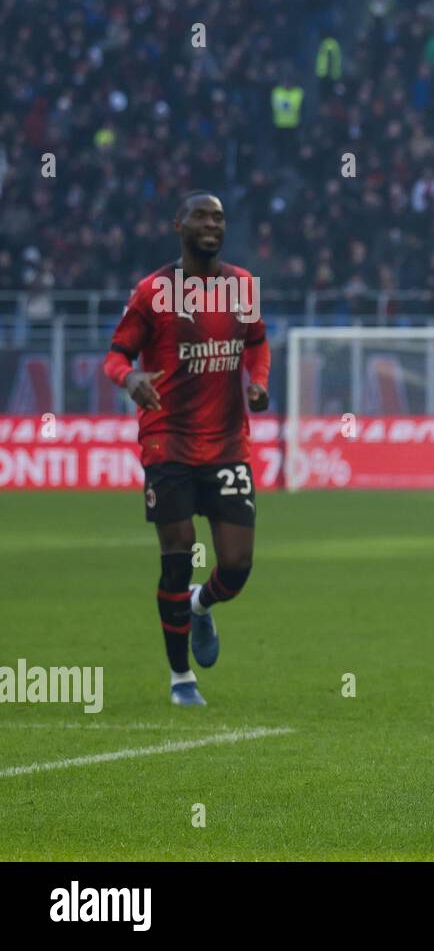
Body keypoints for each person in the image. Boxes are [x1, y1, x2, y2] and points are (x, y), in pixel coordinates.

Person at [103, 191, 270, 706]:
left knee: (237, 565)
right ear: (179, 225)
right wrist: (131, 379)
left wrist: (257, 382)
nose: (211, 224)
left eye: (219, 217)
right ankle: (181, 679)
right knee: (176, 557)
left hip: (225, 445)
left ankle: (201, 605)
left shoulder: (242, 286)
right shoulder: (153, 291)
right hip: (167, 442)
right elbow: (115, 355)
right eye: (201, 215)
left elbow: (257, 342)